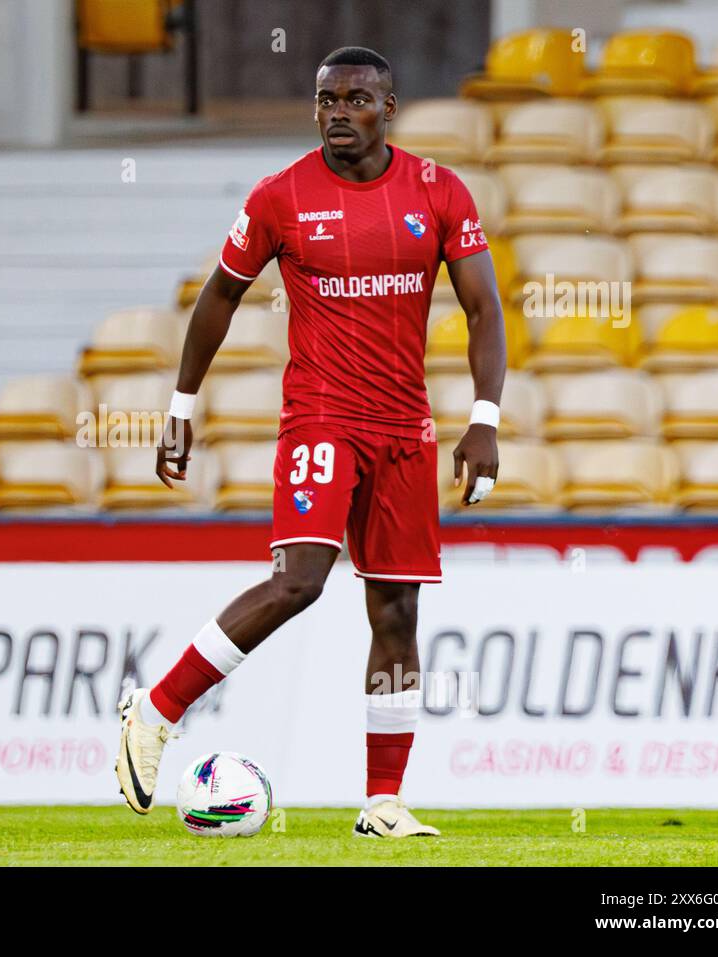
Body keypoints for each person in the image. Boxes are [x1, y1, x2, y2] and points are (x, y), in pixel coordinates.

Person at [115, 46, 506, 838]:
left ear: (389, 109)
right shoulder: (281, 196)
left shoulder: (438, 191)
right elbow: (220, 296)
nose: (337, 113)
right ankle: (157, 710)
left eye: (356, 100)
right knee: (300, 579)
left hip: (406, 428)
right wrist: (182, 404)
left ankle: (383, 802)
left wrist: (485, 418)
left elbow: (485, 309)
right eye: (326, 100)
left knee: (396, 610)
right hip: (322, 417)